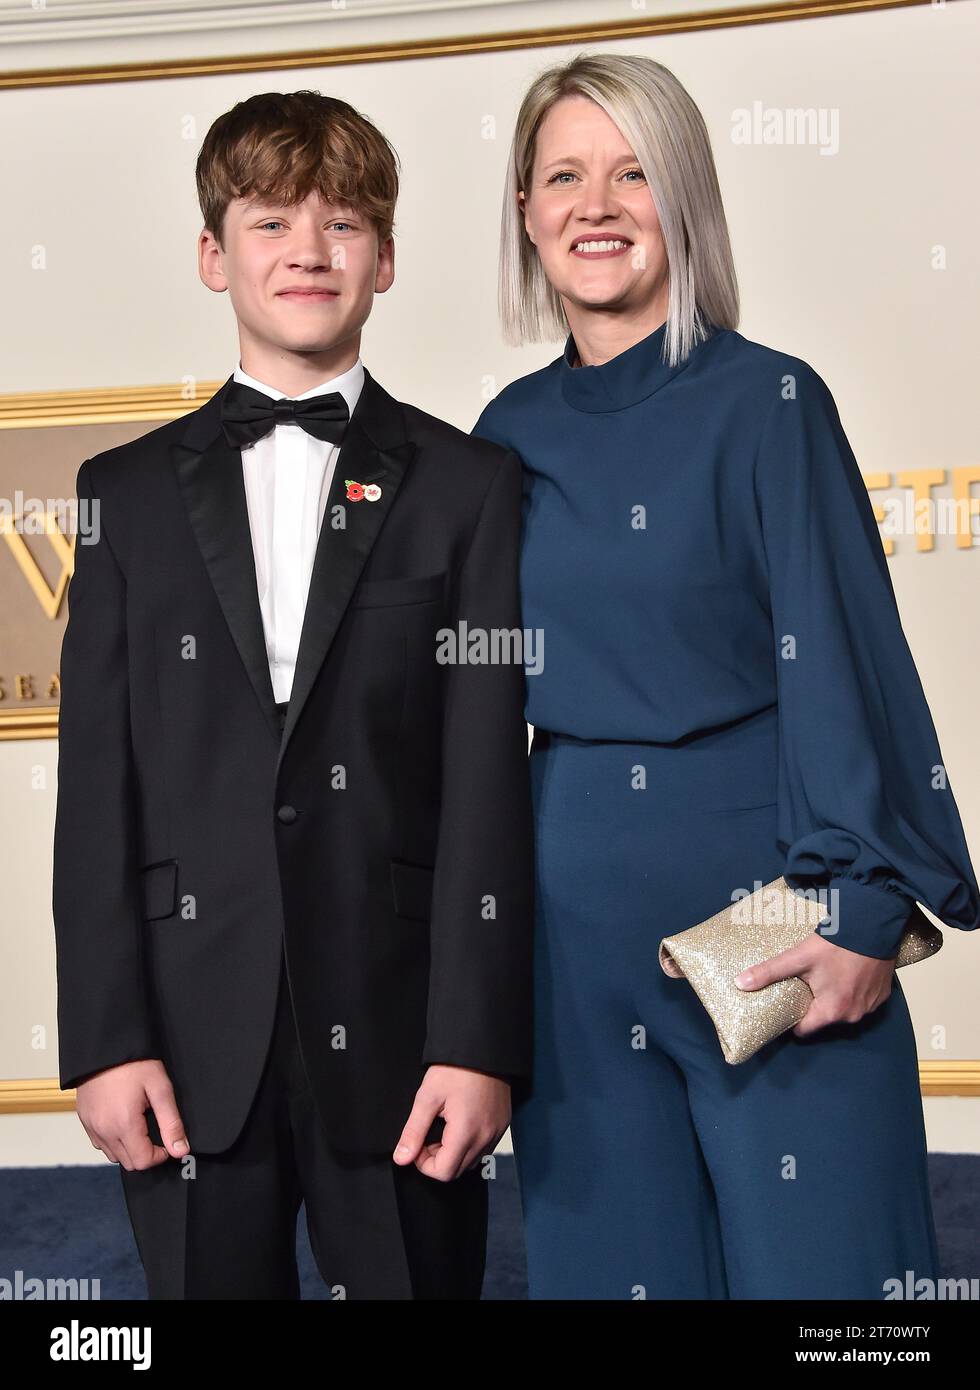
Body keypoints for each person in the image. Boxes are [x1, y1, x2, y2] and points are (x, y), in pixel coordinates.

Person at [471, 52, 980, 1300]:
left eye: (632, 171)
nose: (596, 204)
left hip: (769, 915)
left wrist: (863, 908)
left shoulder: (771, 402)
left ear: (683, 196)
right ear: (527, 217)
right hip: (569, 941)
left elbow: (845, 656)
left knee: (832, 1293)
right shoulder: (501, 437)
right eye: (563, 176)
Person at [52, 89, 533, 1300]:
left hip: (404, 1033)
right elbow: (95, 791)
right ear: (214, 256)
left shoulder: (469, 486)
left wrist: (475, 1043)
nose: (308, 250)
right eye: (270, 222)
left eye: (343, 223)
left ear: (385, 256)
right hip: (180, 1035)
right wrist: (105, 1041)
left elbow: (486, 778)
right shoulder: (121, 494)